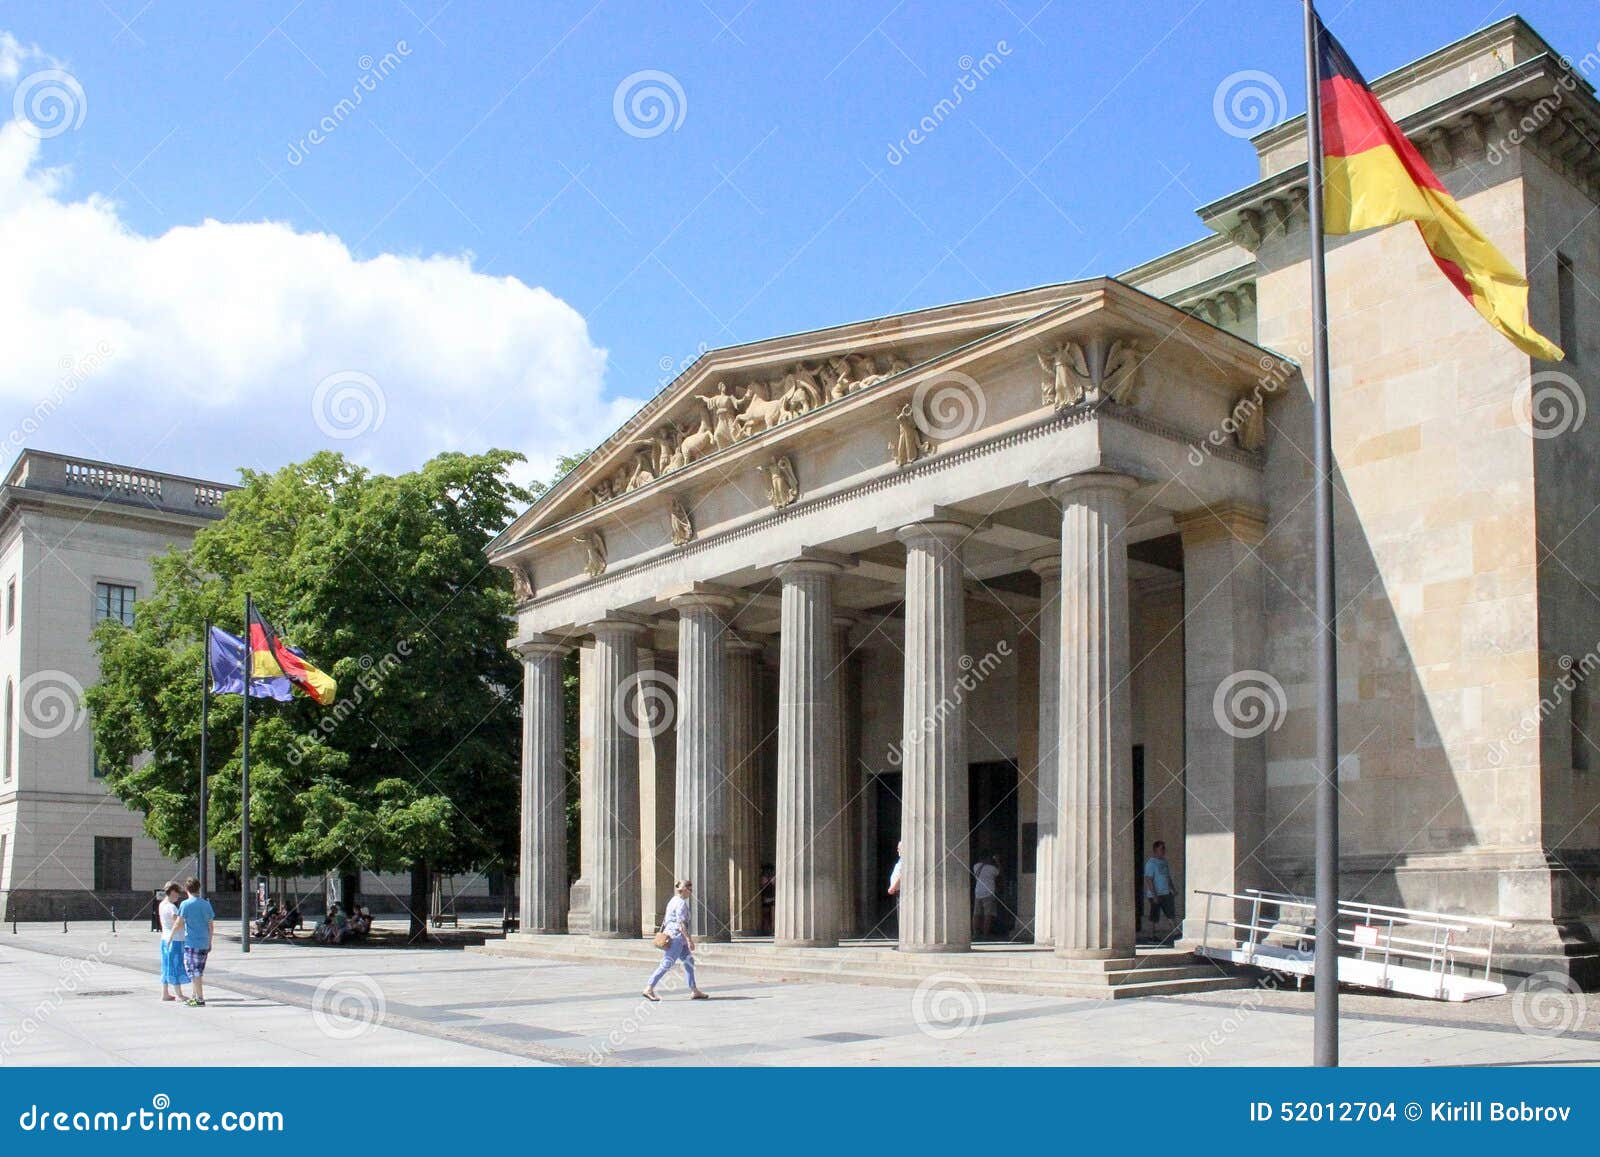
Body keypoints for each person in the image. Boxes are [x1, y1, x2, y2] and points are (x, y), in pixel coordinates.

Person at [642, 879, 708, 1001]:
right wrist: (689, 940)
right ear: (684, 890)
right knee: (667, 963)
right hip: (676, 937)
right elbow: (681, 923)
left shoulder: (673, 900)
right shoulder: (681, 903)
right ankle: (649, 987)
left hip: (676, 936)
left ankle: (694, 990)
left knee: (689, 962)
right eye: (689, 889)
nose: (690, 892)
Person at [170, 877, 215, 1008]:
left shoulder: (185, 904)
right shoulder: (206, 904)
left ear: (186, 889)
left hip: (191, 943)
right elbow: (211, 925)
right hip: (204, 942)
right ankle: (195, 996)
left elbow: (179, 923)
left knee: (194, 972)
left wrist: (170, 937)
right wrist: (210, 941)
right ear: (198, 888)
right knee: (199, 970)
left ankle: (200, 998)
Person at [157, 882, 189, 1003]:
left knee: (166, 966)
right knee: (176, 965)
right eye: (176, 893)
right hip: (175, 939)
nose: (178, 896)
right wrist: (185, 920)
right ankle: (179, 994)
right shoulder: (171, 907)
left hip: (164, 938)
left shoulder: (162, 905)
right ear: (171, 892)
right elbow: (177, 922)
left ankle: (165, 993)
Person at [1144, 840, 1177, 943]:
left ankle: (1176, 932)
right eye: (1161, 848)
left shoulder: (1164, 862)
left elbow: (1167, 877)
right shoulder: (1151, 863)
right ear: (1155, 850)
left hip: (1165, 892)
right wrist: (1154, 895)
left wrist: (1172, 888)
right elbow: (1148, 879)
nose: (1163, 851)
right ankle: (1151, 935)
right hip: (1156, 893)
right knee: (1154, 914)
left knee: (1170, 912)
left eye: (1164, 848)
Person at [972, 852, 1002, 939]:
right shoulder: (992, 868)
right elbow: (999, 873)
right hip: (989, 893)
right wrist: (997, 861)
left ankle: (975, 933)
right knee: (987, 914)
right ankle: (985, 934)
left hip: (978, 892)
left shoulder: (976, 866)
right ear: (988, 859)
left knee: (976, 914)